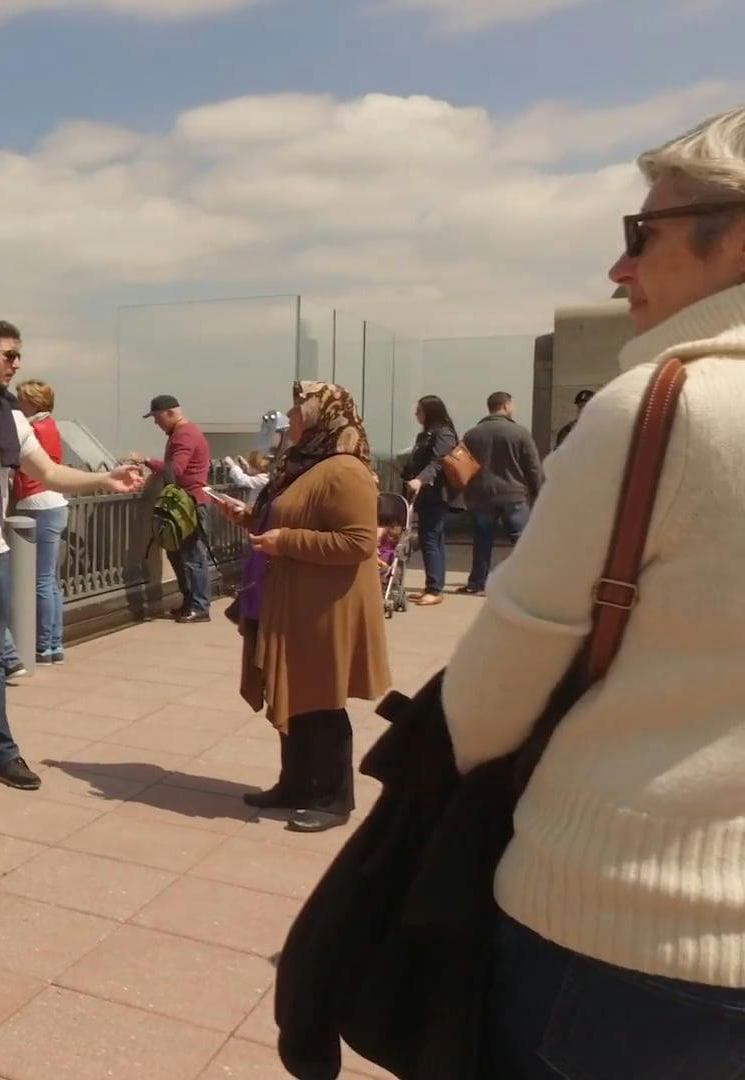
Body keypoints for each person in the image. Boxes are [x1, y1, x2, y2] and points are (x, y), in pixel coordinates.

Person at [443, 107, 745, 1078]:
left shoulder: (666, 408)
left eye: (641, 235)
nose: (620, 270)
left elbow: (488, 702)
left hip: (630, 923)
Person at [0, 320, 143, 791]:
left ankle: (0, 753)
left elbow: (49, 472)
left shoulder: (11, 416)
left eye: (18, 355)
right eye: (9, 355)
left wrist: (106, 480)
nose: (16, 364)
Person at [217, 382, 390, 834]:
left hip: (323, 606)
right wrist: (249, 517)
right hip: (288, 598)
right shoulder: (299, 465)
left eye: (298, 410)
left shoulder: (345, 469)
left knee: (321, 701)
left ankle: (334, 799)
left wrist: (285, 541)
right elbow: (287, 514)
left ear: (322, 417)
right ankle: (294, 785)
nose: (290, 417)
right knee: (291, 694)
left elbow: (359, 542)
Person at [458, 391, 541, 597]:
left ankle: (477, 582)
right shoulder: (519, 433)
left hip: (481, 494)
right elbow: (532, 467)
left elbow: (463, 466)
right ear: (506, 405)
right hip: (513, 494)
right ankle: (526, 583)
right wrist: (538, 492)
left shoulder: (472, 434)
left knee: (482, 540)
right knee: (521, 541)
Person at [9, 379, 69, 665]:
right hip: (56, 504)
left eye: (21, 399)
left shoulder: (32, 429)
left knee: (40, 580)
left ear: (33, 402)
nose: (18, 404)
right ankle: (54, 644)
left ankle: (43, 645)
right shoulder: (52, 426)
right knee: (50, 580)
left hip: (36, 504)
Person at [142, 394, 215, 623]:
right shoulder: (183, 433)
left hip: (189, 504)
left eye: (157, 417)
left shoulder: (184, 435)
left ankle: (200, 607)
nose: (156, 423)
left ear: (171, 413)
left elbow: (177, 470)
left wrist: (146, 461)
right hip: (185, 503)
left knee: (192, 555)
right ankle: (189, 602)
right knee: (178, 554)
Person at [400, 395, 460, 607]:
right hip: (425, 494)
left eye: (420, 410)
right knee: (435, 539)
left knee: (430, 540)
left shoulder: (443, 434)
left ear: (430, 411)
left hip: (435, 494)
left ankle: (434, 589)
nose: (416, 414)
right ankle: (434, 586)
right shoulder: (425, 435)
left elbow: (438, 463)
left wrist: (420, 480)